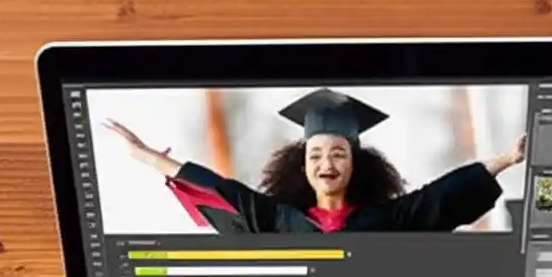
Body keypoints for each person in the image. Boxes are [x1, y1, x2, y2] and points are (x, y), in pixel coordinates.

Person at [104, 88, 526, 234]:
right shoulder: (280, 220)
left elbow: (440, 198)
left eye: (339, 153)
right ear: (301, 166)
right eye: (316, 154)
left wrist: (505, 159)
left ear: (354, 165)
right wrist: (147, 158)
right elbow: (222, 191)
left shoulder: (385, 219)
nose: (327, 163)